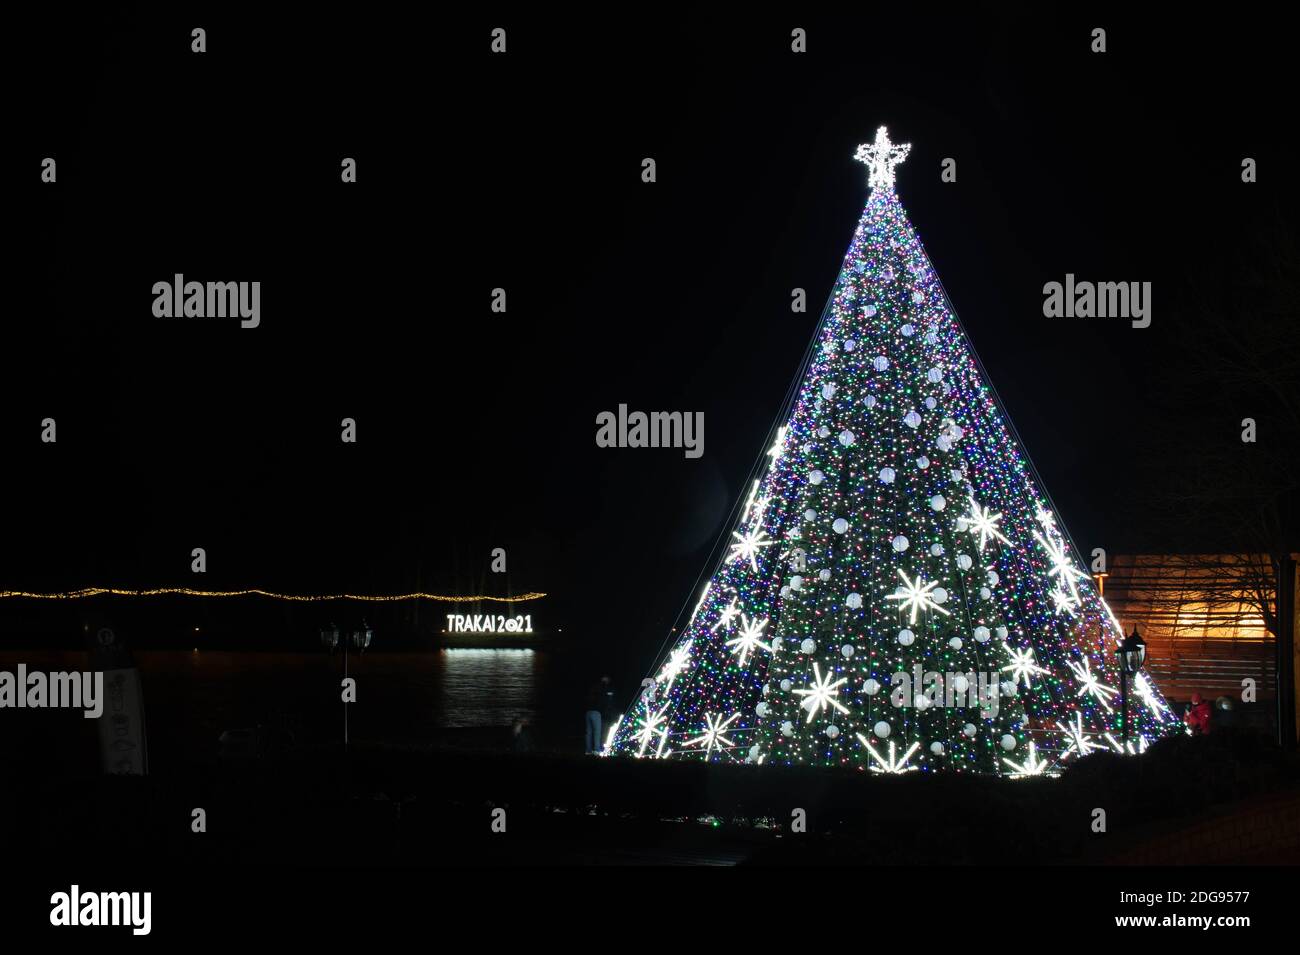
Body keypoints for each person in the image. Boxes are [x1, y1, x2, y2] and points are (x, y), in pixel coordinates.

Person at [585, 675, 615, 754]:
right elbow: (604, 700)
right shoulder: (602, 688)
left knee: (589, 732)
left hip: (588, 711)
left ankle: (588, 751)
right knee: (597, 732)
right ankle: (596, 750)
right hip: (596, 712)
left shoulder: (592, 687)